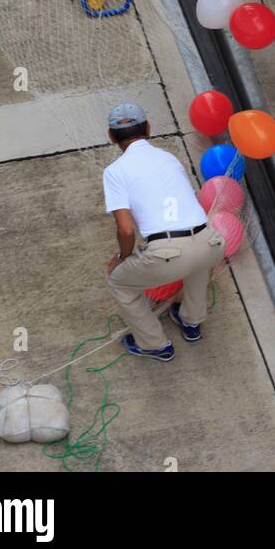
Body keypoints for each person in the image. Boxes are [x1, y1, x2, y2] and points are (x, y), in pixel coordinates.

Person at [103, 101, 226, 361]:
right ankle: (192, 322)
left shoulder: (114, 172)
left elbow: (125, 229)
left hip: (168, 253)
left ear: (111, 136)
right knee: (198, 261)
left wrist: (122, 258)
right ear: (148, 127)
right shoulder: (169, 157)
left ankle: (154, 345)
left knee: (119, 282)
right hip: (212, 241)